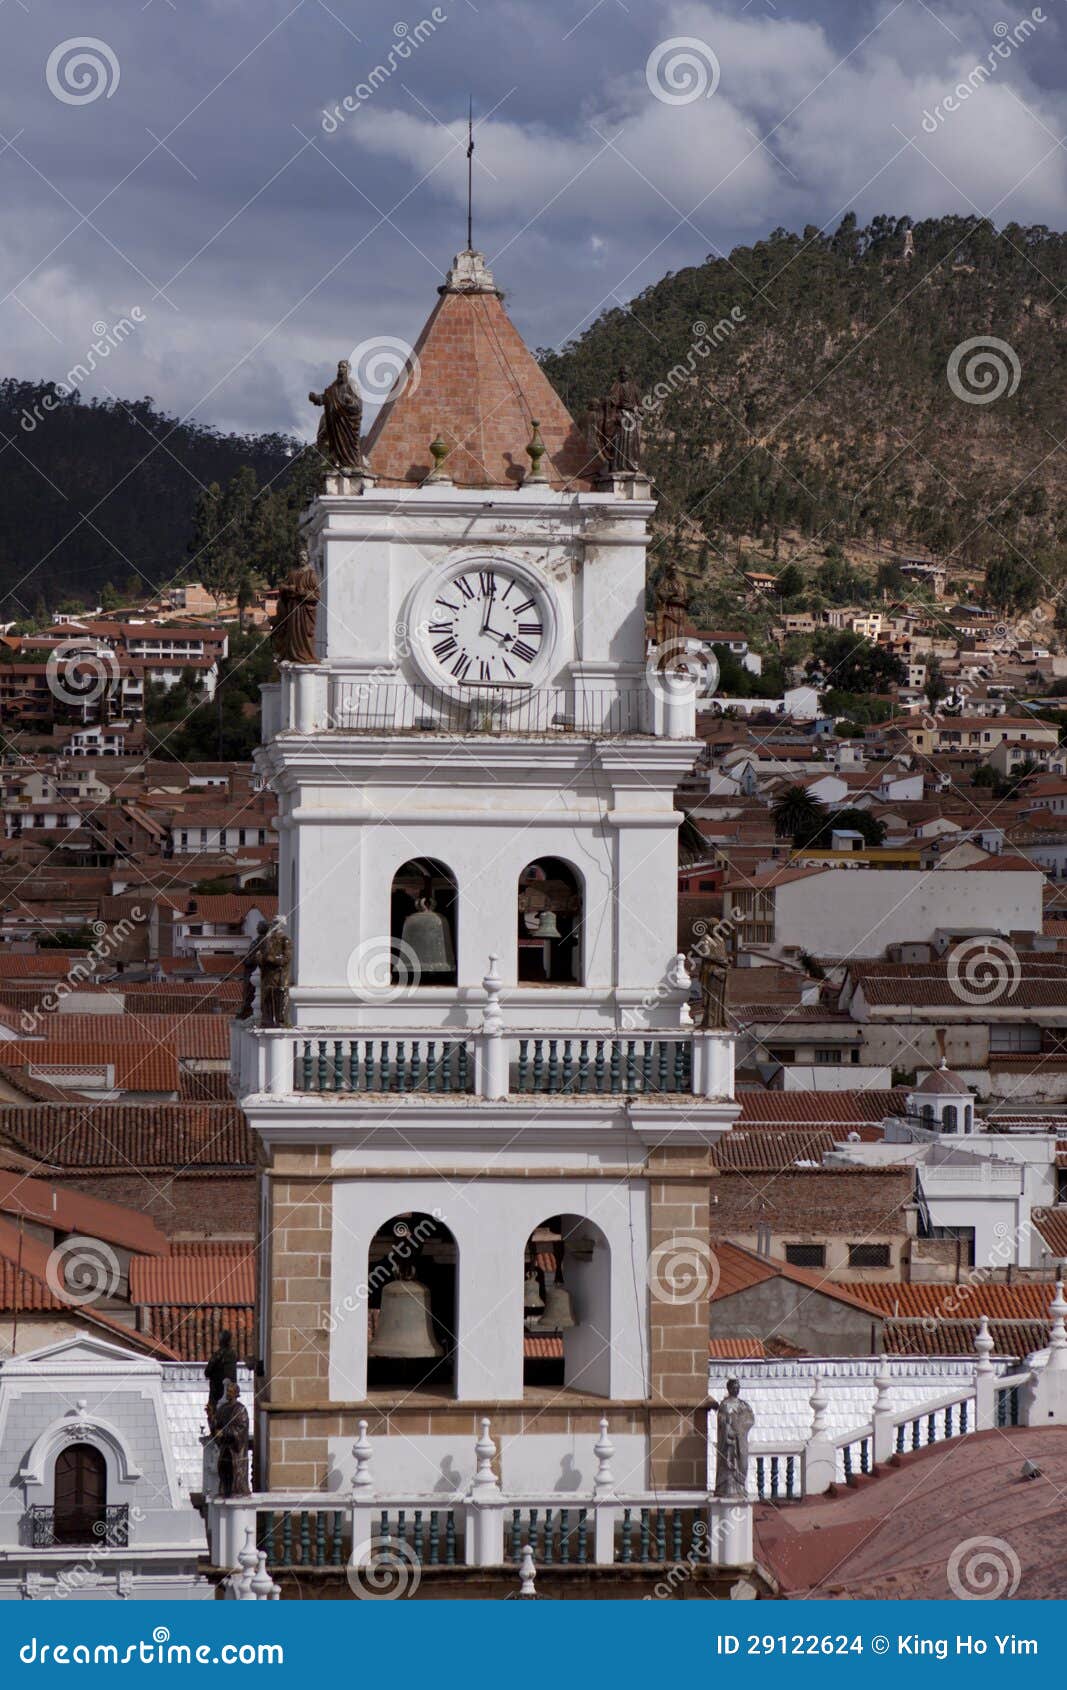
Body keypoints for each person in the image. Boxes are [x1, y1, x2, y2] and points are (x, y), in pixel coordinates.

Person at [308, 359, 363, 471]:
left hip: (347, 424)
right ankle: (339, 463)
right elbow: (326, 397)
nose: (340, 369)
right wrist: (316, 398)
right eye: (339, 367)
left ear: (348, 370)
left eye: (343, 367)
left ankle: (350, 465)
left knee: (348, 445)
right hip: (336, 423)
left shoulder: (352, 384)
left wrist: (349, 400)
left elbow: (358, 405)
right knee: (336, 445)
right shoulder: (334, 386)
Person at [271, 552, 320, 665]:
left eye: (304, 555)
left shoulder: (311, 575)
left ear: (308, 558)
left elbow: (317, 595)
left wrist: (301, 592)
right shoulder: (293, 574)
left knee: (304, 634)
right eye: (300, 556)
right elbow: (282, 587)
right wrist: (288, 588)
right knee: (292, 633)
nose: (302, 558)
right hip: (293, 608)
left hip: (305, 611)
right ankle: (292, 655)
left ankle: (306, 656)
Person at [709, 1378, 755, 1499]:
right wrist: (728, 1427)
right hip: (729, 1442)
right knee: (728, 1464)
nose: (735, 1389)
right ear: (729, 1389)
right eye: (733, 1387)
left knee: (742, 1463)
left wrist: (740, 1428)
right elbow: (722, 1420)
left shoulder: (743, 1405)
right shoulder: (724, 1405)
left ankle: (740, 1487)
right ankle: (727, 1488)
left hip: (740, 1440)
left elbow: (750, 1419)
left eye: (737, 1387)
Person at [214, 1379, 251, 1498]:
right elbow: (218, 1423)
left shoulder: (240, 1409)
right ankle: (225, 1491)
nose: (228, 1393)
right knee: (223, 1470)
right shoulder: (223, 1408)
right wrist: (213, 1424)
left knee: (236, 1474)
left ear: (236, 1393)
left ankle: (236, 1491)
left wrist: (225, 1432)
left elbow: (241, 1428)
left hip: (235, 1450)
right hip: (225, 1448)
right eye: (227, 1391)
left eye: (230, 1391)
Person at [204, 1329, 239, 1424]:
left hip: (217, 1393)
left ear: (221, 1341)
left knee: (216, 1420)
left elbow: (207, 1372)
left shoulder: (217, 1355)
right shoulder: (234, 1355)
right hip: (231, 1394)